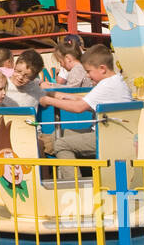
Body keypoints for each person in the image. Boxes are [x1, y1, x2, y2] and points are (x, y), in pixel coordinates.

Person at [38, 45, 133, 173]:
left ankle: (73, 184)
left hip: (107, 136)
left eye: (88, 71)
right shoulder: (114, 81)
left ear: (102, 69)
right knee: (56, 135)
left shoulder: (107, 85)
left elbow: (79, 107)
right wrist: (58, 95)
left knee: (61, 144)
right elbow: (85, 101)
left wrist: (48, 100)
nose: (87, 76)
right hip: (108, 133)